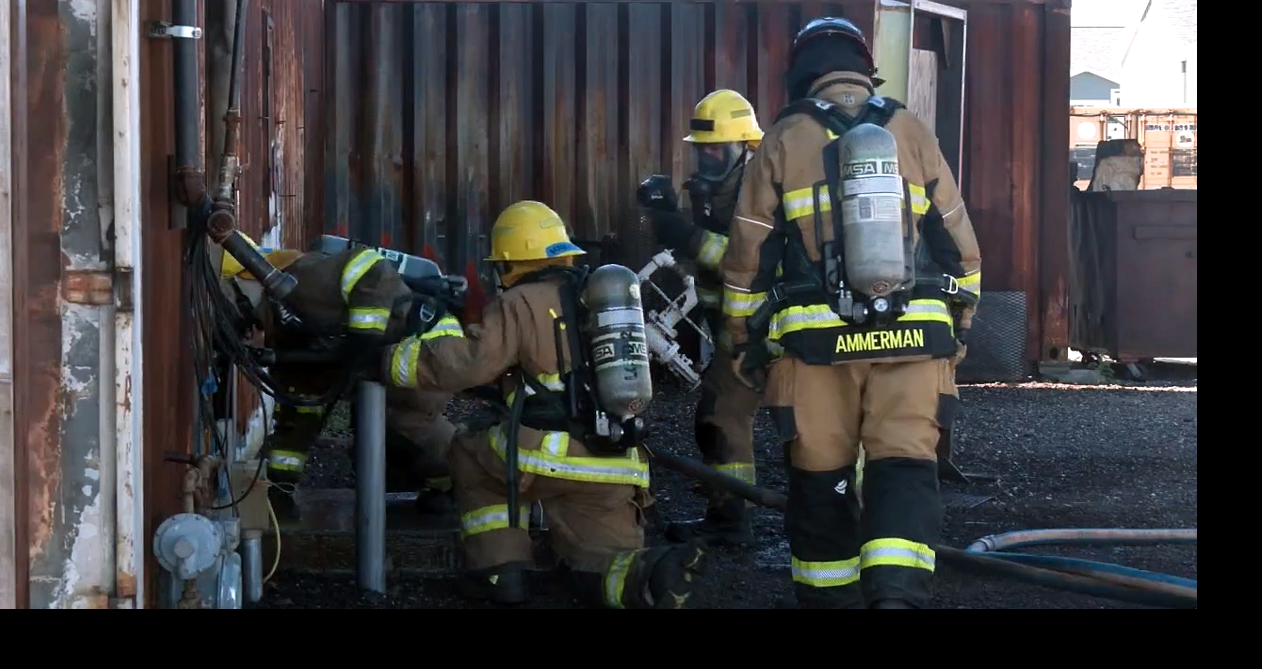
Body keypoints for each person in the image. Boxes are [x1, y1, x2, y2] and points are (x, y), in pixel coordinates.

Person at [717, 17, 982, 609]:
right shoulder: (912, 131)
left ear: (800, 74)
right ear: (864, 70)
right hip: (915, 337)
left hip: (816, 349)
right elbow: (961, 249)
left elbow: (747, 259)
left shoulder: (782, 140)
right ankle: (895, 596)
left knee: (822, 478)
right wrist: (958, 327)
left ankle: (830, 598)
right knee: (904, 468)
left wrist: (743, 343)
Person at [378, 200, 709, 608]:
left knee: (468, 451)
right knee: (597, 567)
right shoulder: (598, 298)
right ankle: (647, 576)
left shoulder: (521, 302)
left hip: (544, 457)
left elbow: (469, 363)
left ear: (512, 262)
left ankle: (501, 573)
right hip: (617, 462)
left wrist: (392, 361)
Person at [220, 237, 462, 516]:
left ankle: (464, 478)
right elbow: (301, 412)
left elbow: (372, 267)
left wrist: (363, 339)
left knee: (398, 422)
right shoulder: (288, 335)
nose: (246, 335)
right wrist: (280, 488)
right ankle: (439, 480)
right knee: (369, 443)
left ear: (244, 284)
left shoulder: (301, 279)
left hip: (428, 344)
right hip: (387, 357)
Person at [637, 89, 767, 547]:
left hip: (768, 328)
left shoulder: (762, 189)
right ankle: (730, 511)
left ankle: (735, 521)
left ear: (745, 146)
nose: (708, 155)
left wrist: (689, 236)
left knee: (727, 417)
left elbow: (745, 258)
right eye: (702, 147)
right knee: (716, 417)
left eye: (718, 147)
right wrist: (670, 215)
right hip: (730, 325)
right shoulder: (711, 186)